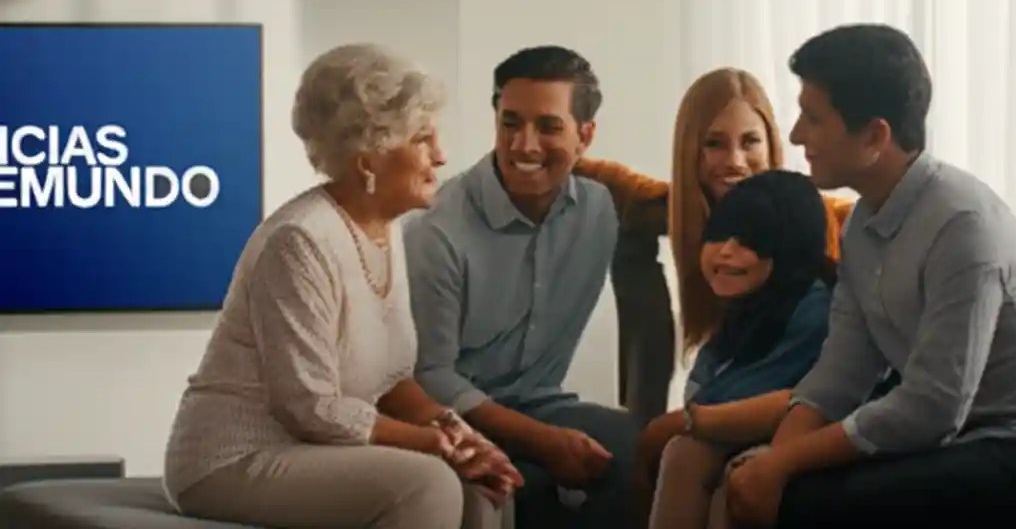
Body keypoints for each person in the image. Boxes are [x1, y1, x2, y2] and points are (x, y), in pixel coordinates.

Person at [724, 24, 1016, 527]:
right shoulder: (863, 225)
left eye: (813, 118)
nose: (797, 135)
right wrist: (772, 466)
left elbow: (934, 405)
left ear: (874, 136)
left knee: (814, 501)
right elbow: (841, 373)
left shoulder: (962, 222)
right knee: (773, 484)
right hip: (966, 440)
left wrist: (782, 465)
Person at [163, 43, 521, 529]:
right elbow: (307, 406)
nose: (440, 156)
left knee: (486, 484)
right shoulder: (300, 240)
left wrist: (458, 431)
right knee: (429, 481)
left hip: (314, 448)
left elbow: (392, 382)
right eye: (421, 139)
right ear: (367, 160)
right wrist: (435, 446)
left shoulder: (385, 228)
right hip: (235, 458)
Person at [403, 45, 637, 529]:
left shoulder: (599, 210)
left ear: (585, 136)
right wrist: (541, 441)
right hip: (448, 421)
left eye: (548, 127)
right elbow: (431, 378)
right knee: (531, 490)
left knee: (654, 451)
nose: (524, 145)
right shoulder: (437, 229)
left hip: (544, 404)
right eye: (510, 123)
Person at [576, 68, 855, 425]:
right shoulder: (682, 213)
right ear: (690, 150)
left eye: (750, 142)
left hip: (810, 403)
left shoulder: (825, 221)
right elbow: (623, 186)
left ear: (771, 145)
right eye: (714, 143)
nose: (735, 162)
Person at [639, 169, 835, 529]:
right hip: (749, 432)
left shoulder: (813, 307)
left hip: (804, 439)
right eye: (719, 235)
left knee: (733, 478)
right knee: (683, 454)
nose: (727, 252)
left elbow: (727, 400)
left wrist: (681, 422)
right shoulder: (748, 306)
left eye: (750, 241)